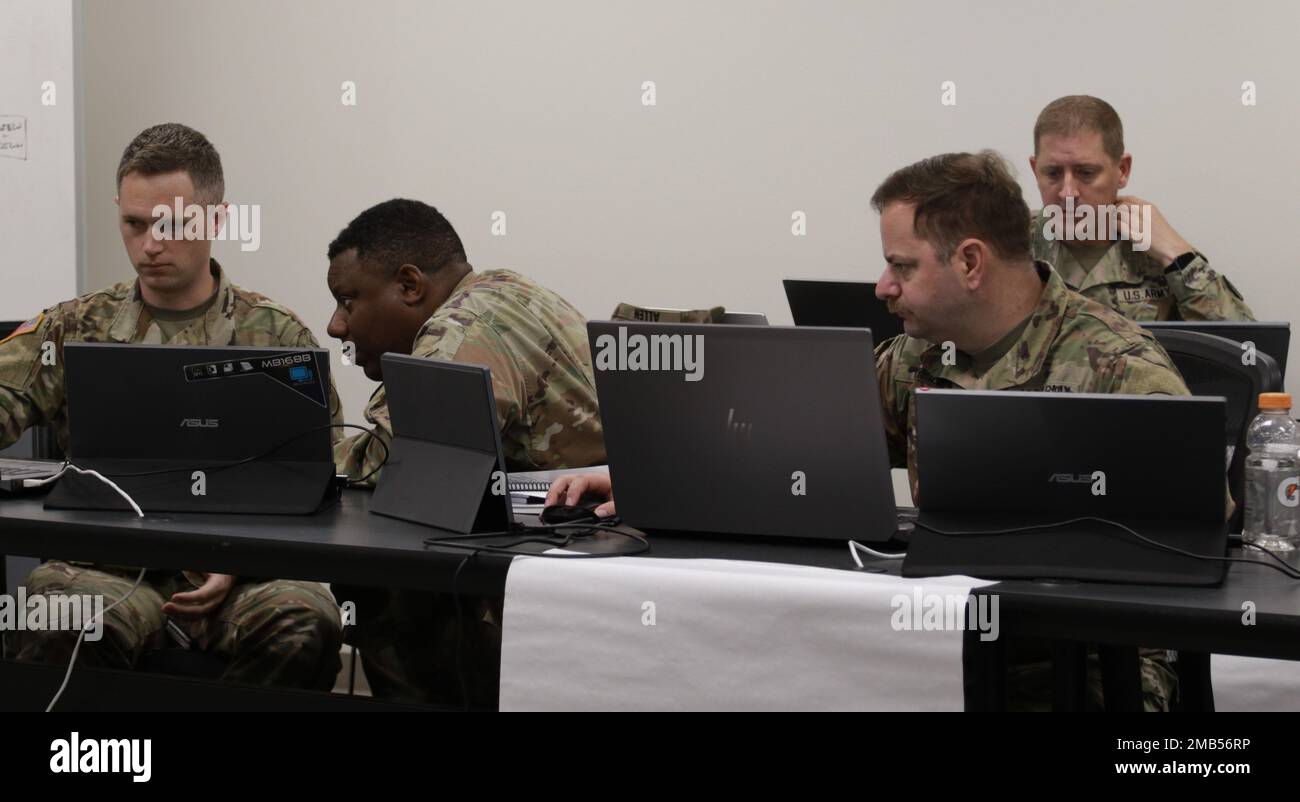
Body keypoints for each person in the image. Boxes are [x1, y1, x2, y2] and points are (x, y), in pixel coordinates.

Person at [1, 123, 343, 690]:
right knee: (59, 613)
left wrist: (242, 564)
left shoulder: (276, 337)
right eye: (134, 225)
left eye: (172, 225)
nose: (150, 245)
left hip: (244, 573)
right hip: (104, 567)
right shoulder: (75, 327)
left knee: (304, 620)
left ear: (215, 219)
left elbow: (324, 477)